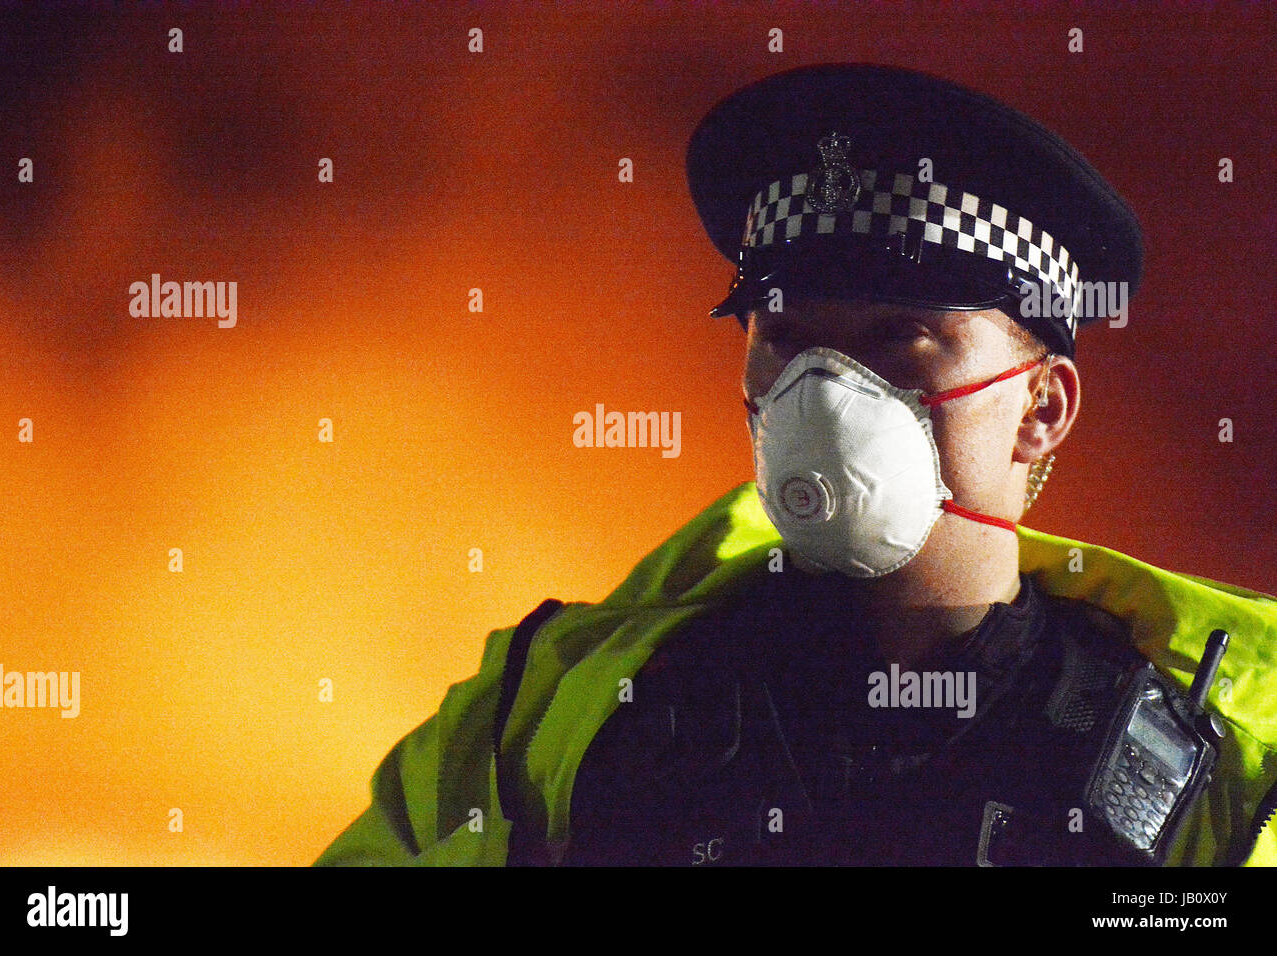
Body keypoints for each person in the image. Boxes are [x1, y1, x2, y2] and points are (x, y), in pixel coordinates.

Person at [315, 64, 1277, 867]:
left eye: (901, 336)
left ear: (1043, 407)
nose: (825, 391)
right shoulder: (554, 718)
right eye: (785, 338)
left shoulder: (1218, 773)